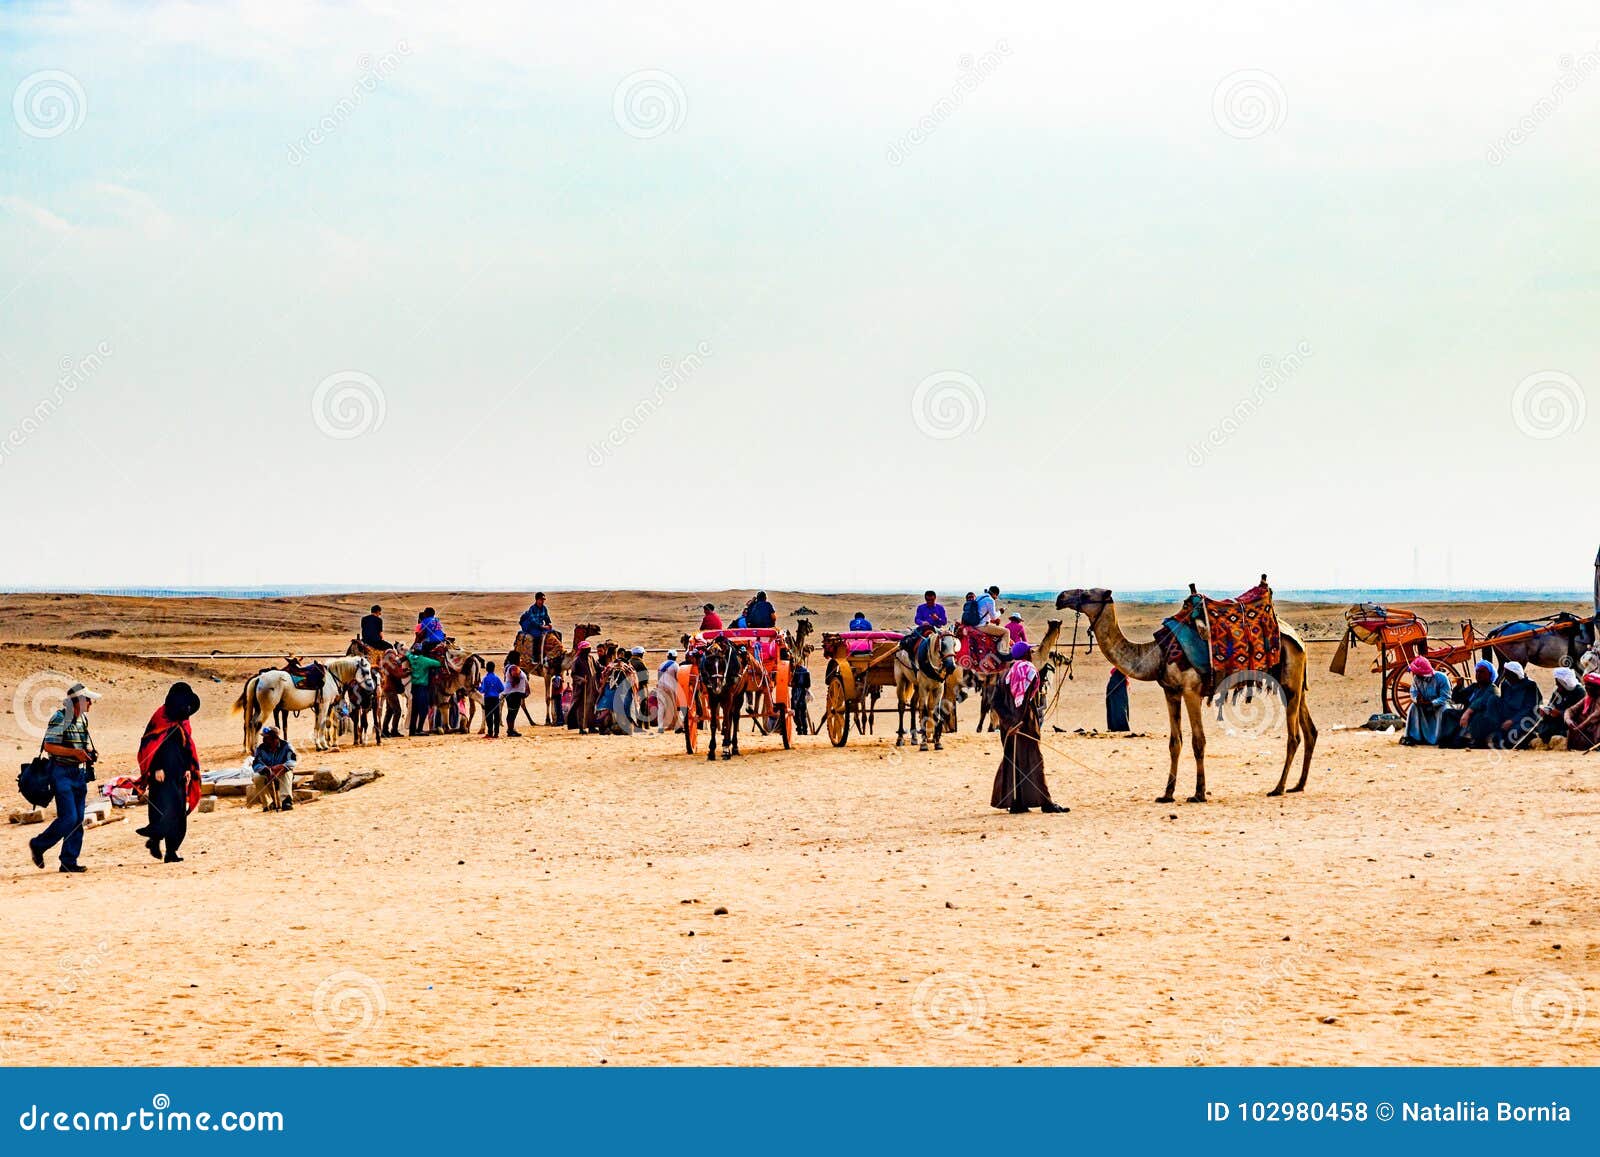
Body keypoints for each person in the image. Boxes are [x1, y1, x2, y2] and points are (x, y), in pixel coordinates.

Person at [28, 682, 100, 873]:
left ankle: (69, 861)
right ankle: (38, 844)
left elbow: (83, 744)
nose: (91, 703)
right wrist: (74, 753)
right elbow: (49, 746)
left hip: (78, 773)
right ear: (78, 702)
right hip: (61, 772)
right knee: (69, 817)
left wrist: (89, 752)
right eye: (88, 700)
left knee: (78, 819)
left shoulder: (82, 719)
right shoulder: (60, 718)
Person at [990, 643, 1069, 814]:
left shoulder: (1005, 673)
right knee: (1034, 761)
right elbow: (1023, 700)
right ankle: (1046, 803)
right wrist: (1017, 722)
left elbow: (995, 701)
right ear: (1027, 654)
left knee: (1013, 760)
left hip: (1007, 727)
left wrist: (1008, 722)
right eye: (1030, 651)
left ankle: (1017, 803)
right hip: (1025, 723)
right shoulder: (1028, 671)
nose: (1033, 653)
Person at [136, 681, 201, 862]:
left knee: (178, 812)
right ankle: (155, 837)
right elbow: (150, 744)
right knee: (163, 809)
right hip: (161, 774)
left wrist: (188, 768)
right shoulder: (160, 717)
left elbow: (187, 745)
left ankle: (171, 851)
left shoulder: (184, 721)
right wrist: (156, 767)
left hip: (179, 772)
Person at [1402, 656, 1455, 746]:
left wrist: (1431, 703)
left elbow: (1445, 697)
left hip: (1439, 706)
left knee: (1444, 710)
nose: (1415, 675)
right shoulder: (1416, 679)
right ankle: (1412, 737)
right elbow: (1413, 692)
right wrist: (1417, 700)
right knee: (1413, 707)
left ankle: (1439, 737)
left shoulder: (1442, 678)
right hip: (1423, 705)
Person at [1493, 661, 1542, 749]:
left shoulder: (1530, 685)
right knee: (1496, 735)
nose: (1505, 676)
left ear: (1514, 675)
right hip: (1508, 717)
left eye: (1507, 673)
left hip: (1525, 719)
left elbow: (1529, 708)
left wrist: (1512, 721)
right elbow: (1503, 703)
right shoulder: (1505, 685)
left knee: (1513, 734)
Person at [251, 724, 298, 811]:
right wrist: (265, 769)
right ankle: (268, 803)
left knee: (286, 772)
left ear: (274, 738)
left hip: (282, 773)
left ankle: (286, 801)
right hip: (268, 774)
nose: (263, 739)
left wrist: (282, 766)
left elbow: (293, 761)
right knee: (257, 777)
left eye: (266, 737)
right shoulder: (261, 748)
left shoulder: (286, 746)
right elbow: (256, 764)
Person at [1535, 666, 1585, 745]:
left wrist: (1560, 713)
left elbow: (1580, 713)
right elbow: (1550, 706)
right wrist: (1545, 712)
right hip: (1557, 721)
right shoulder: (1557, 692)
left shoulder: (1579, 691)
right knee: (1542, 725)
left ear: (1565, 681)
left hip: (1570, 722)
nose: (1556, 684)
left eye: (1558, 682)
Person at [1459, 660, 1500, 748]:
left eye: (1482, 672)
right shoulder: (1475, 686)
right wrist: (1458, 686)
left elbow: (1481, 701)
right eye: (1477, 671)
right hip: (1467, 715)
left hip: (1483, 717)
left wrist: (1468, 712)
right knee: (1448, 713)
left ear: (1490, 674)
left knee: (1477, 716)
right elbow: (1458, 698)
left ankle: (1472, 739)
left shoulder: (1492, 688)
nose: (1478, 674)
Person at [407, 647, 443, 735]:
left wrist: (410, 653)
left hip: (414, 687)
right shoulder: (425, 660)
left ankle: (412, 731)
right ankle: (419, 730)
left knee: (414, 710)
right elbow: (438, 663)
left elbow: (407, 654)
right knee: (423, 710)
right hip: (422, 688)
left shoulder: (411, 658)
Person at [1564, 673, 1600, 750]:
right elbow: (1571, 710)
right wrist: (1568, 720)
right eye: (1586, 687)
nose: (1586, 689)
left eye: (1589, 687)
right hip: (1588, 731)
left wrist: (1579, 727)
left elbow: (1594, 716)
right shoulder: (1588, 698)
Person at [519, 593, 553, 663]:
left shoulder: (544, 608)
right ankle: (535, 657)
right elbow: (533, 621)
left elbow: (546, 618)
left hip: (541, 627)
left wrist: (549, 624)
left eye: (543, 600)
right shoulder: (532, 609)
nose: (542, 601)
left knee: (556, 633)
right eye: (541, 600)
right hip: (532, 627)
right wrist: (542, 626)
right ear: (537, 600)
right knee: (537, 637)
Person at [503, 662, 529, 737]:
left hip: (512, 693)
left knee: (511, 712)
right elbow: (515, 680)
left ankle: (510, 729)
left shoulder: (511, 667)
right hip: (514, 693)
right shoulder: (514, 667)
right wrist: (518, 680)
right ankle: (510, 730)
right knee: (512, 712)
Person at [480, 661, 505, 738]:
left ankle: (490, 732)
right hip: (495, 699)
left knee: (489, 715)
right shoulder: (497, 678)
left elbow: (482, 690)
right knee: (496, 716)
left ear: (486, 669)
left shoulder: (485, 679)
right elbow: (502, 688)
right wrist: (495, 691)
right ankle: (496, 732)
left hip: (488, 699)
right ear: (494, 669)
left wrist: (478, 687)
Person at [1105, 666, 1131, 731]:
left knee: (1118, 706)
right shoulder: (1119, 671)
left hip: (1118, 686)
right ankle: (1117, 726)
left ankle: (1120, 726)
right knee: (1116, 706)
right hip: (1117, 687)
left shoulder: (1120, 672)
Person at [791, 661, 812, 735]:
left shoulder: (795, 672)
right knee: (803, 714)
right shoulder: (806, 672)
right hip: (802, 693)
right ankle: (805, 730)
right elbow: (808, 684)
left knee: (796, 713)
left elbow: (792, 683)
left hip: (796, 694)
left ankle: (799, 729)